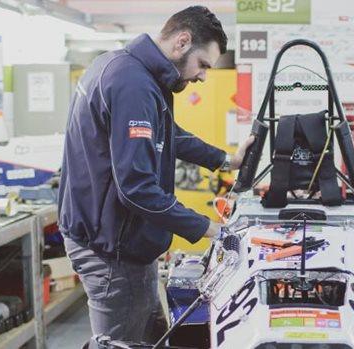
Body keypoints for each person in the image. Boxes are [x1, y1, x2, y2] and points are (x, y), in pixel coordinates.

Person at [57, 6, 252, 346]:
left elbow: (168, 133)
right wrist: (211, 230)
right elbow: (136, 189)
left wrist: (226, 160)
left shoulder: (131, 71)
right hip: (111, 253)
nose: (203, 77)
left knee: (153, 334)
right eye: (203, 65)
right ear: (182, 42)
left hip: (121, 241)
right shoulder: (133, 84)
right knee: (123, 342)